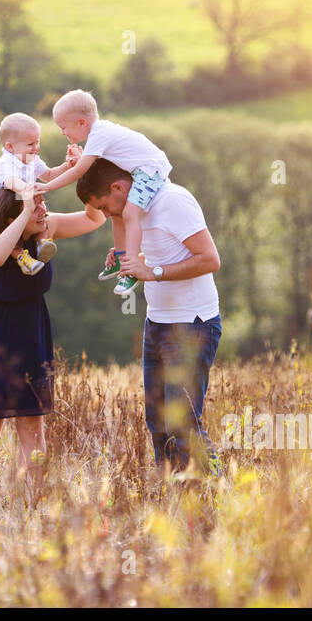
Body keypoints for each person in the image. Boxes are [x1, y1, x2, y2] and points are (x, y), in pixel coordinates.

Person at [76, 157, 223, 477]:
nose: (106, 215)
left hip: (191, 324)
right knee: (157, 421)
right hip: (156, 322)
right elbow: (167, 253)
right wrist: (133, 260)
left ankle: (215, 494)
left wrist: (151, 272)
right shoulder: (136, 211)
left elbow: (210, 259)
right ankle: (174, 501)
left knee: (181, 422)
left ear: (119, 187)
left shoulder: (173, 201)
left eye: (104, 206)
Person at [0, 186, 104, 484]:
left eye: (41, 204)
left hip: (31, 331)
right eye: (33, 207)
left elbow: (94, 219)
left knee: (32, 422)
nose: (43, 211)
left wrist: (84, 177)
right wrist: (25, 213)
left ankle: (33, 507)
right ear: (13, 215)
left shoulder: (47, 230)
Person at [33, 89, 172, 297]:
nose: (62, 133)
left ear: (81, 123)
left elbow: (79, 171)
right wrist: (80, 158)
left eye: (63, 127)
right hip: (142, 169)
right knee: (117, 215)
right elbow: (87, 166)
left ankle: (131, 268)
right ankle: (120, 256)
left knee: (129, 214)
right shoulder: (98, 134)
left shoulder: (99, 134)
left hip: (151, 171)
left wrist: (47, 186)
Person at [0, 112, 80, 275]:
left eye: (38, 142)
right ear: (10, 147)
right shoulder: (7, 164)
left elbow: (48, 175)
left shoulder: (31, 158)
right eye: (30, 144)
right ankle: (21, 256)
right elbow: (11, 182)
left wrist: (67, 166)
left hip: (15, 208)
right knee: (4, 230)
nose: (36, 147)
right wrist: (27, 189)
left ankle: (42, 244)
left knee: (43, 213)